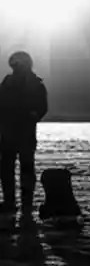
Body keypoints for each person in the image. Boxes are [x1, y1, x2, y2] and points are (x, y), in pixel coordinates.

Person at [0, 51, 47, 215]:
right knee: (9, 168)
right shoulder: (11, 82)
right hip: (11, 131)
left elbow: (42, 106)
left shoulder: (32, 84)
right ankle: (12, 201)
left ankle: (22, 202)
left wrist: (34, 115)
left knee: (20, 168)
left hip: (21, 131)